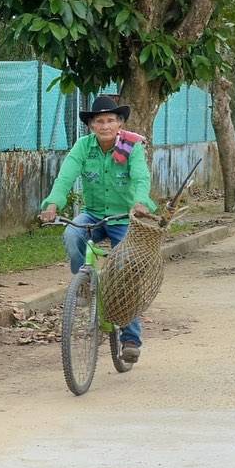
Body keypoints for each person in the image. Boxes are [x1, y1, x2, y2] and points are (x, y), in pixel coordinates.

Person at [39, 96, 157, 364]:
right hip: (93, 215)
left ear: (120, 124)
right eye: (99, 121)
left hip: (123, 218)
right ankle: (84, 287)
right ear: (91, 125)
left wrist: (141, 202)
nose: (105, 126)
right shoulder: (83, 147)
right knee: (71, 234)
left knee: (125, 274)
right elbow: (65, 177)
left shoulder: (131, 147)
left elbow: (141, 177)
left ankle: (130, 338)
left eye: (111, 120)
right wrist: (53, 204)